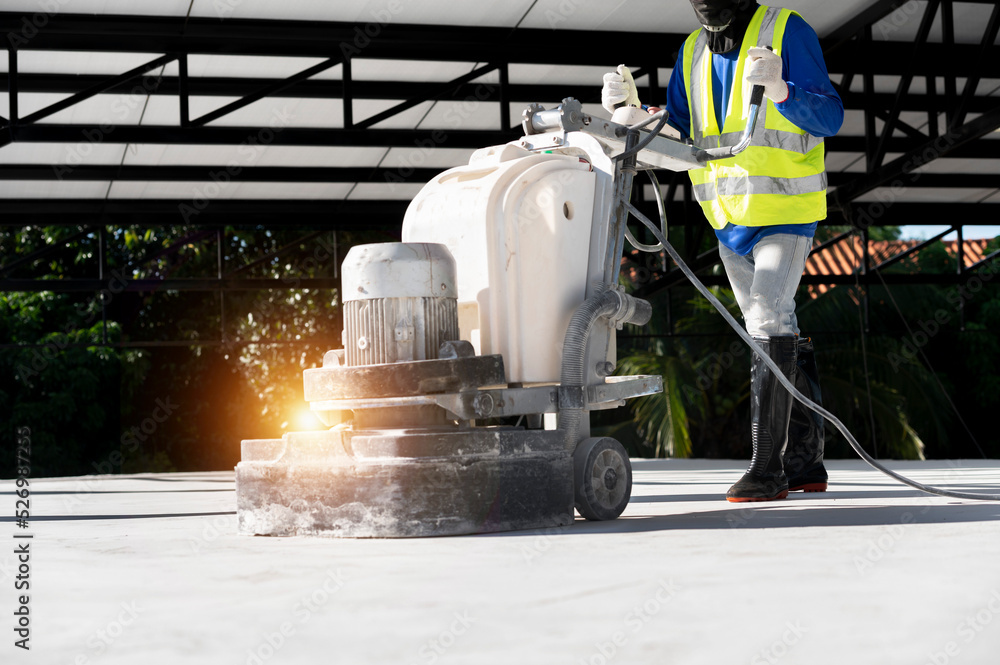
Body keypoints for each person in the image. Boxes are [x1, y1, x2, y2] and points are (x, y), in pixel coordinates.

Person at [602, 1, 844, 502]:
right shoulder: (691, 51)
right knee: (778, 326)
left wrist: (782, 90)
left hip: (786, 208)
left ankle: (767, 468)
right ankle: (806, 462)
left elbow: (829, 116)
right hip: (729, 218)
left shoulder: (785, 29)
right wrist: (626, 118)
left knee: (768, 321)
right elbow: (679, 139)